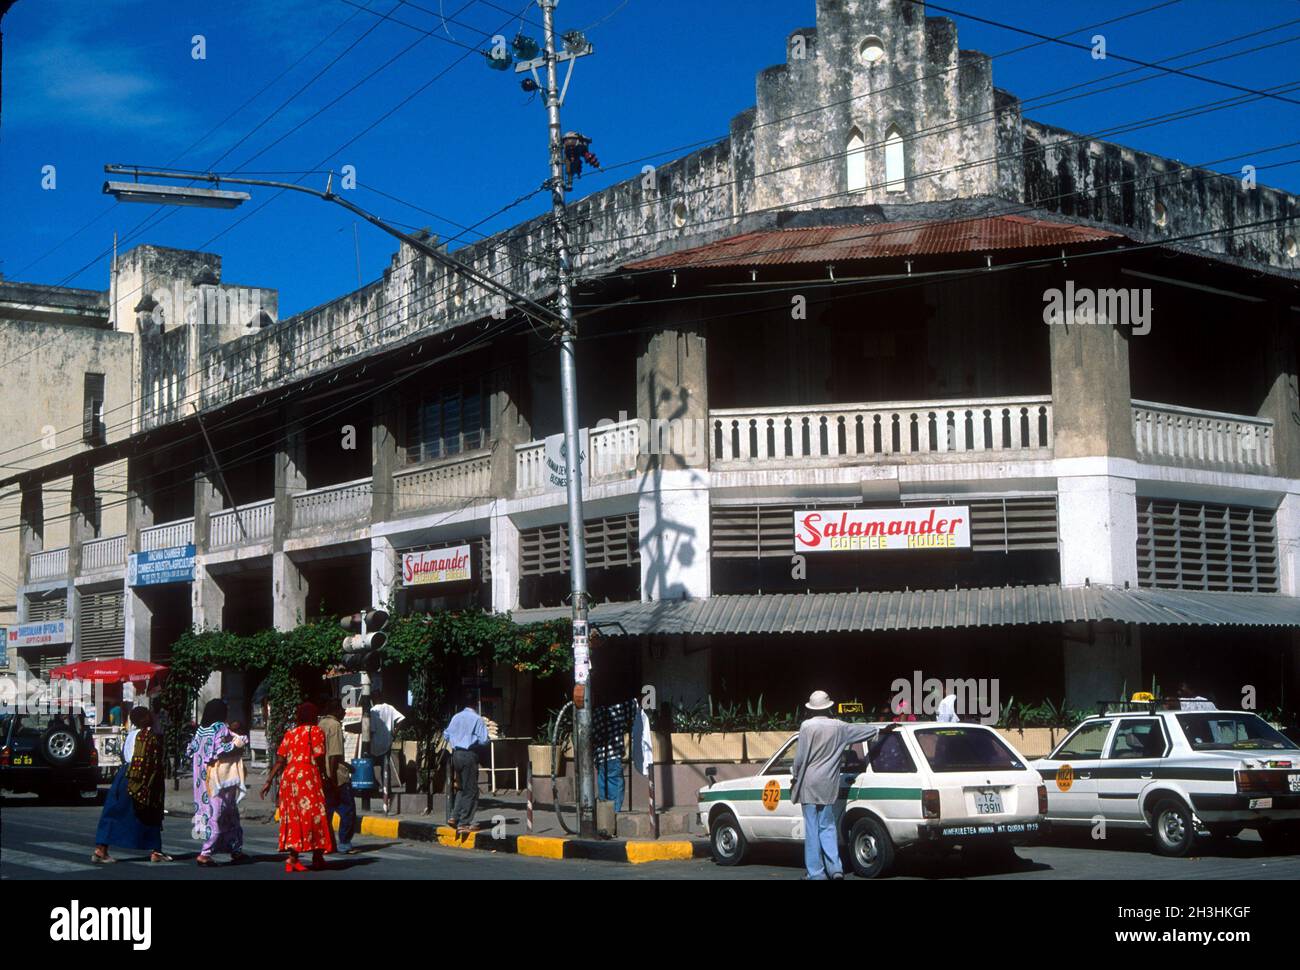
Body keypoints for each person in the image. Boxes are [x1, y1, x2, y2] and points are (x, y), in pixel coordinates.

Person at [791, 690, 894, 881]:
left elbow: (800, 759)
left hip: (808, 783)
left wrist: (795, 776)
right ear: (829, 707)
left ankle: (816, 873)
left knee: (812, 829)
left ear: (811, 709)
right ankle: (836, 869)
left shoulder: (807, 726)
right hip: (829, 782)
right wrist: (883, 730)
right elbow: (863, 730)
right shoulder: (840, 727)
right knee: (828, 826)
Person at [92, 706, 170, 864]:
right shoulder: (148, 735)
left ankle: (102, 848)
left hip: (124, 774)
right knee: (149, 813)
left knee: (116, 811)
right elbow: (149, 760)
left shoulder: (131, 735)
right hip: (143, 777)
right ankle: (155, 850)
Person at [261, 702, 334, 872]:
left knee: (295, 817)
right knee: (314, 815)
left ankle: (293, 858)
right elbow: (319, 756)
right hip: (307, 776)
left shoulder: (290, 733)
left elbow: (280, 760)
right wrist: (325, 776)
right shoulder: (315, 731)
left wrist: (269, 781)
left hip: (289, 778)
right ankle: (317, 857)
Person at [185, 700, 248, 867]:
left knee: (212, 811)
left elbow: (189, 750)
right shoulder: (220, 727)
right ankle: (206, 853)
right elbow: (220, 750)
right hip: (217, 778)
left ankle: (235, 849)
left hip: (201, 779)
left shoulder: (201, 729)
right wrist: (238, 742)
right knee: (221, 812)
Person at [444, 691, 488, 834]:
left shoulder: (456, 717)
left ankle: (454, 816)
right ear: (476, 704)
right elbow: (483, 740)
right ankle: (464, 822)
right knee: (471, 790)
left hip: (456, 754)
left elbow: (446, 734)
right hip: (469, 754)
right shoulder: (477, 719)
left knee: (461, 788)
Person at [319, 698, 358, 854]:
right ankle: (344, 843)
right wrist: (333, 779)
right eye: (342, 710)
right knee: (348, 810)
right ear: (335, 710)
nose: (344, 713)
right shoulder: (334, 725)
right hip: (336, 776)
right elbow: (334, 754)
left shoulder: (320, 724)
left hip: (324, 775)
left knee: (328, 811)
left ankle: (328, 843)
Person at [592, 698, 639, 812]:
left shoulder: (596, 713)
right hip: (613, 755)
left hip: (600, 756)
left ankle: (604, 815)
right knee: (616, 785)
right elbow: (632, 713)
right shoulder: (617, 709)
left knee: (603, 785)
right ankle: (613, 814)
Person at [368, 690, 406, 813]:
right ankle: (387, 789)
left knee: (370, 766)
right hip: (387, 742)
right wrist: (394, 733)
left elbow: (372, 730)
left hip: (375, 743)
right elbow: (401, 719)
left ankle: (374, 788)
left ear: (373, 699)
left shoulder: (373, 711)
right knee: (386, 767)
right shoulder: (389, 708)